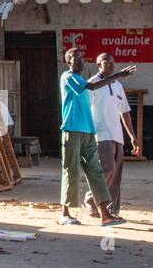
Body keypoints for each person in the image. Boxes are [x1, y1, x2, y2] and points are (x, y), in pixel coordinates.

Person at [59, 48, 135, 226]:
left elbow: (123, 111)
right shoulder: (69, 77)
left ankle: (105, 214)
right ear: (68, 61)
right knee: (71, 170)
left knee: (97, 173)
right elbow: (92, 87)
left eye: (81, 58)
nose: (79, 61)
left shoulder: (87, 81)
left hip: (89, 131)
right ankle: (65, 213)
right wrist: (117, 75)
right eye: (75, 58)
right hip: (72, 129)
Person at [85, 52, 138, 218]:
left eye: (112, 63)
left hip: (117, 134)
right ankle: (91, 199)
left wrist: (132, 136)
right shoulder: (92, 83)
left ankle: (112, 209)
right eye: (106, 62)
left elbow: (125, 113)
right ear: (98, 65)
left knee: (116, 174)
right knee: (107, 169)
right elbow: (86, 109)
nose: (111, 65)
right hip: (100, 133)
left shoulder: (118, 85)